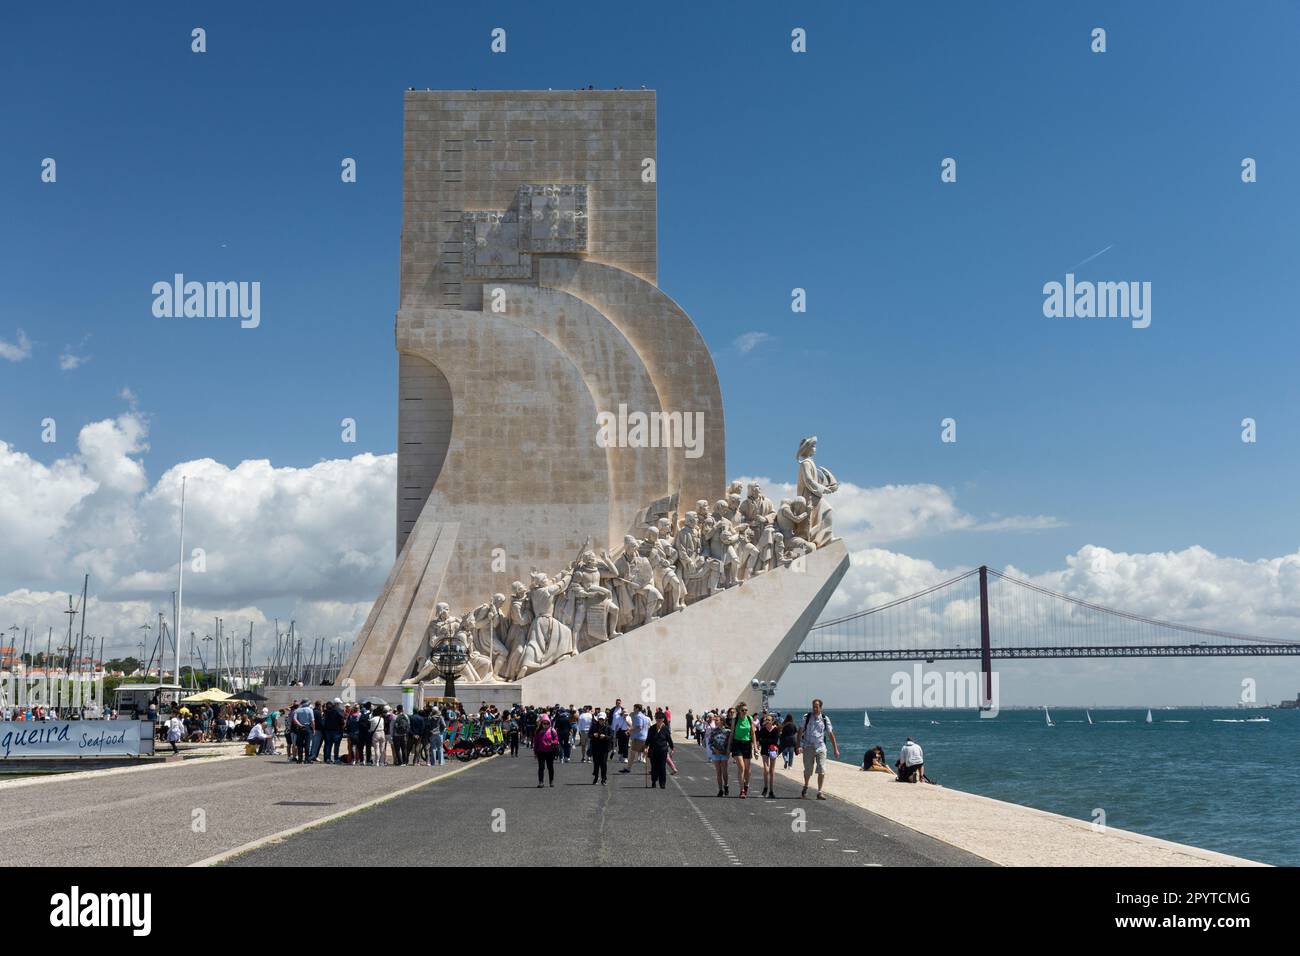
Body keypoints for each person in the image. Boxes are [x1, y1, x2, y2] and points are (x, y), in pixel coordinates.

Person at [797, 698, 839, 800]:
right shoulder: (806, 717)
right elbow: (800, 731)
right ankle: (806, 785)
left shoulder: (825, 719)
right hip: (808, 746)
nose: (815, 709)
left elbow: (830, 734)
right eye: (813, 707)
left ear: (820, 707)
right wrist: (798, 746)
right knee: (808, 770)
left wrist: (835, 749)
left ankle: (819, 791)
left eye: (817, 707)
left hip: (820, 747)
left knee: (821, 769)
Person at [729, 701, 756, 797]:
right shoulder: (734, 720)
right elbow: (731, 734)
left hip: (747, 745)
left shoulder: (749, 718)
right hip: (737, 744)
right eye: (743, 710)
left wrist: (756, 748)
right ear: (739, 711)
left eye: (746, 710)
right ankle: (742, 791)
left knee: (748, 770)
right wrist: (729, 747)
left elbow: (753, 733)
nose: (745, 711)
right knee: (741, 767)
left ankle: (746, 785)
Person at [645, 710, 674, 789]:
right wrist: (646, 747)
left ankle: (662, 783)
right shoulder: (652, 728)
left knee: (662, 767)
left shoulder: (665, 729)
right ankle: (654, 781)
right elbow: (648, 739)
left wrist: (672, 748)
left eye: (660, 718)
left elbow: (669, 739)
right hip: (653, 750)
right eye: (657, 718)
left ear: (663, 719)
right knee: (654, 767)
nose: (658, 719)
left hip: (663, 750)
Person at [756, 712, 781, 799]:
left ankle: (771, 790)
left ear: (772, 721)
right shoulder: (762, 729)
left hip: (773, 750)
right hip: (764, 750)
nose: (768, 721)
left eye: (769, 720)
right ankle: (765, 787)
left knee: (772, 771)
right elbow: (760, 739)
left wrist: (766, 741)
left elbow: (775, 740)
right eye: (766, 719)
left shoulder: (776, 730)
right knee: (766, 769)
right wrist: (765, 742)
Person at [621, 703, 650, 774]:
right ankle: (628, 768)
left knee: (633, 753)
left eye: (634, 708)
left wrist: (629, 731)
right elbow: (636, 726)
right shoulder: (643, 716)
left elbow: (639, 727)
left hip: (638, 738)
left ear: (637, 708)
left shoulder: (638, 716)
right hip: (644, 737)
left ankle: (628, 768)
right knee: (644, 754)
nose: (633, 709)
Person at [706, 713, 731, 796]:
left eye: (717, 720)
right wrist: (714, 749)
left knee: (724, 771)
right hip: (715, 753)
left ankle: (726, 785)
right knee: (718, 772)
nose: (715, 722)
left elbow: (729, 743)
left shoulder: (727, 731)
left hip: (724, 753)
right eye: (715, 720)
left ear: (722, 721)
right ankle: (720, 789)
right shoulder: (714, 731)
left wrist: (728, 751)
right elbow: (710, 743)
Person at [534, 714, 559, 787]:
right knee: (541, 767)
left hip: (550, 751)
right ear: (541, 723)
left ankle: (551, 781)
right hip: (541, 751)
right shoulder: (538, 731)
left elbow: (556, 739)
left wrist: (553, 742)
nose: (546, 725)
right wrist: (535, 752)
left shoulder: (552, 730)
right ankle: (541, 782)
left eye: (547, 723)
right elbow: (536, 742)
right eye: (544, 723)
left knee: (550, 767)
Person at [588, 709, 611, 784]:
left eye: (602, 719)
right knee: (596, 763)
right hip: (596, 747)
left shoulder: (608, 727)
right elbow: (589, 735)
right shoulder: (594, 726)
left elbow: (611, 737)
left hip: (604, 748)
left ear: (605, 719)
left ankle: (604, 779)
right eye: (600, 719)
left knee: (603, 763)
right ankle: (596, 777)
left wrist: (605, 736)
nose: (601, 720)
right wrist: (593, 735)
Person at [290, 699, 315, 764]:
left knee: (300, 744)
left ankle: (300, 759)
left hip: (300, 728)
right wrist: (313, 729)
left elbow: (294, 719)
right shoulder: (310, 710)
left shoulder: (297, 710)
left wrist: (300, 725)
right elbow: (312, 721)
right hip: (307, 727)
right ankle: (307, 759)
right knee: (307, 743)